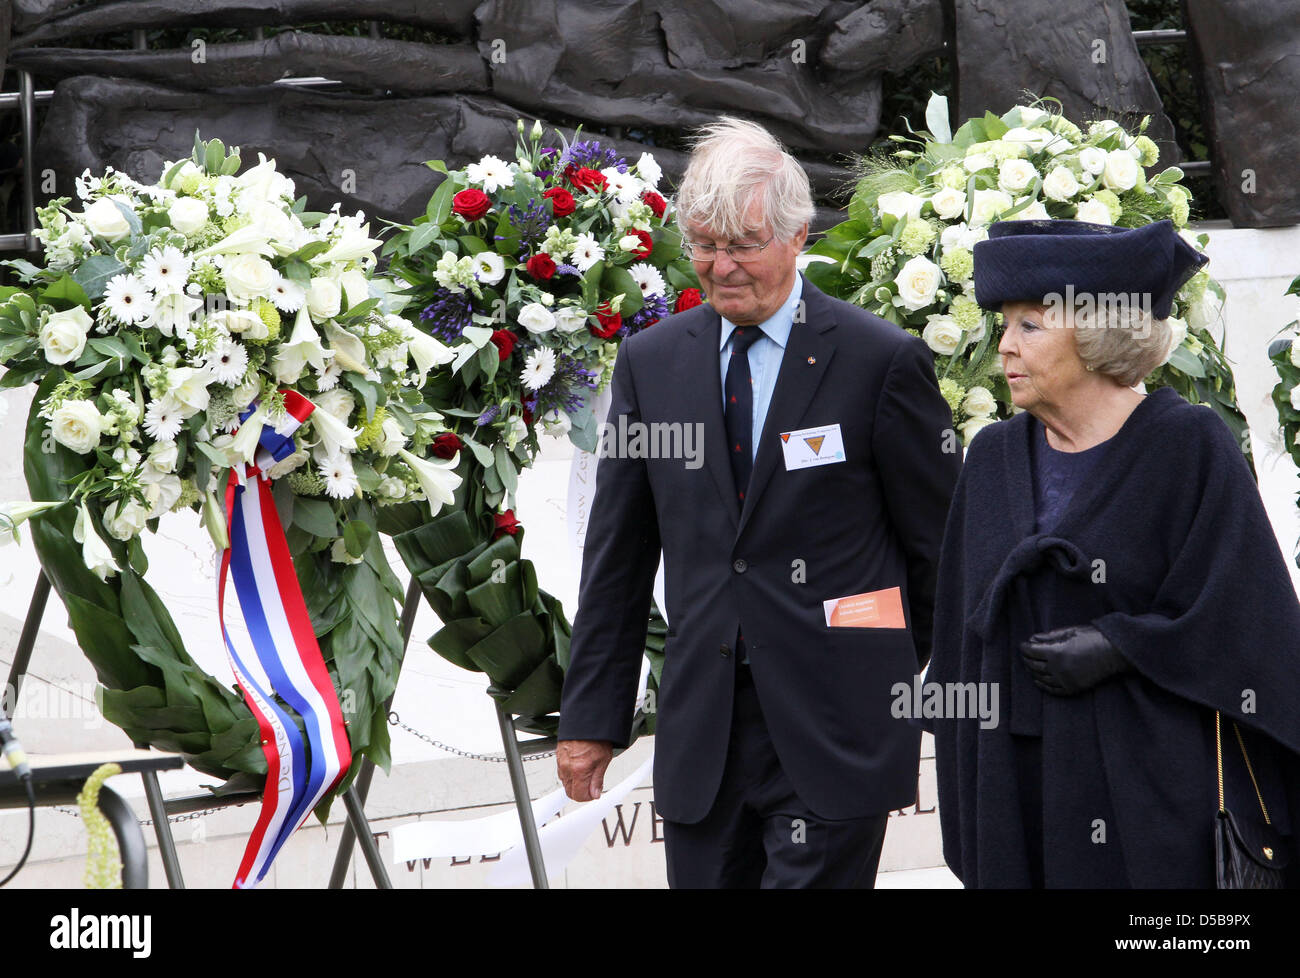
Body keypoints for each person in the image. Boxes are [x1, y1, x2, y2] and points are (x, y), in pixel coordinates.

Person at [555, 117, 961, 888]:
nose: (721, 267)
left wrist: (869, 661)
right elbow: (619, 555)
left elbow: (941, 551)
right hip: (705, 738)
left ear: (798, 235)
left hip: (836, 732)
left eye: (743, 245)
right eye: (705, 244)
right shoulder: (652, 364)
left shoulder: (878, 362)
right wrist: (591, 720)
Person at [928, 217, 1300, 887]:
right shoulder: (991, 460)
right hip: (1017, 797)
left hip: (1153, 809)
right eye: (1003, 326)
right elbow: (957, 633)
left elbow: (1252, 625)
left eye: (1030, 326)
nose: (1005, 347)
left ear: (1098, 333)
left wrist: (1123, 646)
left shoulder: (1188, 448)